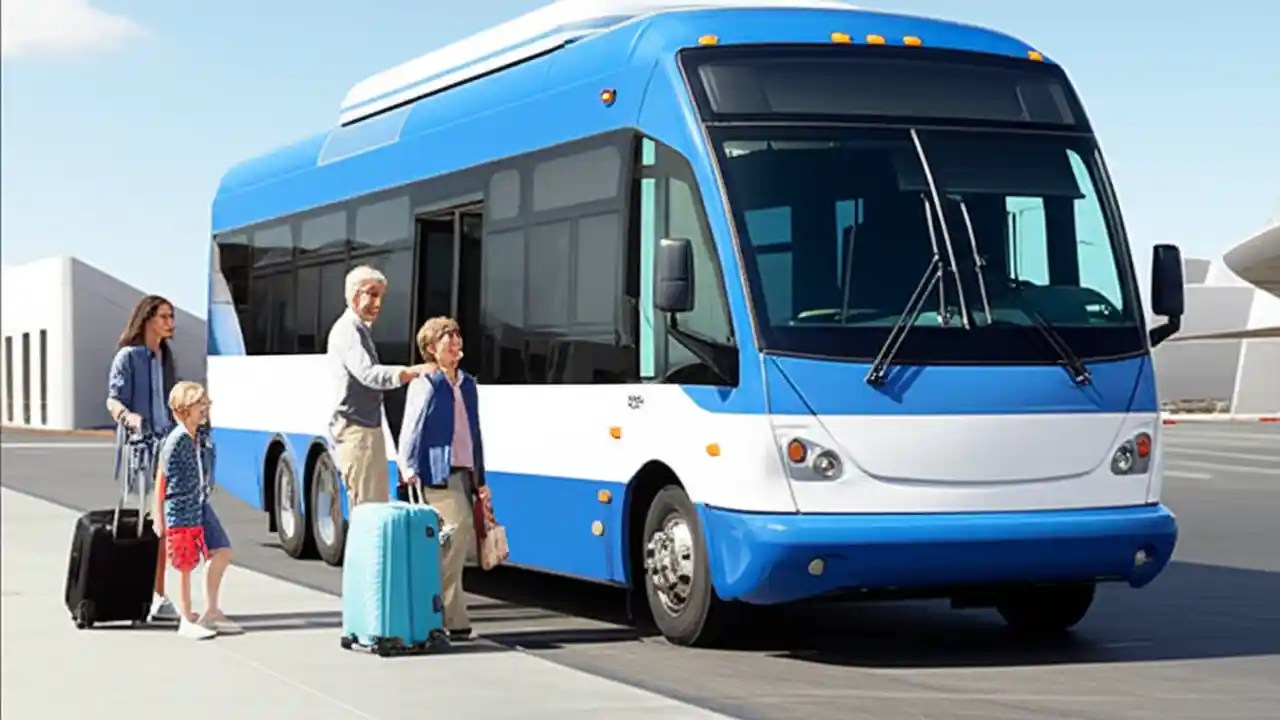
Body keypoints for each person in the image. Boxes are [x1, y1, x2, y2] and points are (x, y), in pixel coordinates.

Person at [397, 316, 486, 641]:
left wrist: (481, 478)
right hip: (436, 473)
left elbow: (475, 434)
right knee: (458, 531)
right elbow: (412, 428)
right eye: (446, 339)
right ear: (431, 349)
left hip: (464, 472)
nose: (454, 342)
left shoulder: (468, 384)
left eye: (456, 336)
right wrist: (406, 468)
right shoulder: (426, 384)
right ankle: (448, 614)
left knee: (451, 544)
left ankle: (435, 608)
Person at [327, 266, 430, 509]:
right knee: (368, 511)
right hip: (357, 431)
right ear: (354, 294)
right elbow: (368, 374)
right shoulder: (347, 331)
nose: (378, 303)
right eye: (372, 294)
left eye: (381, 296)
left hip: (366, 429)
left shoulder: (360, 329)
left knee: (374, 506)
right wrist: (409, 372)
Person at [106, 294, 180, 622]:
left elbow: (172, 399)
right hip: (142, 448)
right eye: (164, 316)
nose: (170, 322)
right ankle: (153, 595)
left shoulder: (166, 357)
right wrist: (131, 419)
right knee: (154, 524)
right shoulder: (128, 357)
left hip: (168, 446)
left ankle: (160, 595)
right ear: (147, 318)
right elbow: (113, 400)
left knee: (166, 523)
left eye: (172, 316)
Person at [157, 380, 240, 640]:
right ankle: (186, 617)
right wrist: (159, 517)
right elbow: (161, 478)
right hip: (182, 506)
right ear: (183, 409)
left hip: (200, 503)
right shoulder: (176, 441)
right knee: (184, 563)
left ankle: (211, 612)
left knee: (222, 551)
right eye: (199, 404)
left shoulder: (200, 438)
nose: (205, 409)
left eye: (206, 403)